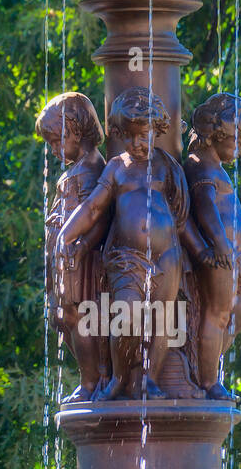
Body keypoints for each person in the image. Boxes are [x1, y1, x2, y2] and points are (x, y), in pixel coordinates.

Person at [57, 87, 203, 400]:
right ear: (120, 134)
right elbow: (93, 207)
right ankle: (118, 380)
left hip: (168, 256)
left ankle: (149, 378)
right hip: (127, 257)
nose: (138, 143)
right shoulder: (117, 168)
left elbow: (182, 215)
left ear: (158, 130)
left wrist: (202, 250)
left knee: (162, 318)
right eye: (130, 136)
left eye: (145, 135)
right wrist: (67, 234)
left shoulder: (166, 167)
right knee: (125, 318)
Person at [184, 92, 241, 400]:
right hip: (219, 254)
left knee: (239, 313)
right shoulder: (199, 165)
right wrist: (220, 244)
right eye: (238, 141)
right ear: (215, 132)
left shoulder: (214, 166)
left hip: (232, 256)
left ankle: (203, 361)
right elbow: (204, 208)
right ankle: (206, 381)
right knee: (217, 313)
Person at [37, 93, 108, 402]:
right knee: (64, 318)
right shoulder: (79, 167)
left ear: (76, 131)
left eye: (56, 141)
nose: (53, 150)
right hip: (64, 257)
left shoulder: (92, 168)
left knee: (77, 316)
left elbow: (100, 214)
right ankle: (92, 378)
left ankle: (92, 382)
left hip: (79, 259)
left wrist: (84, 244)